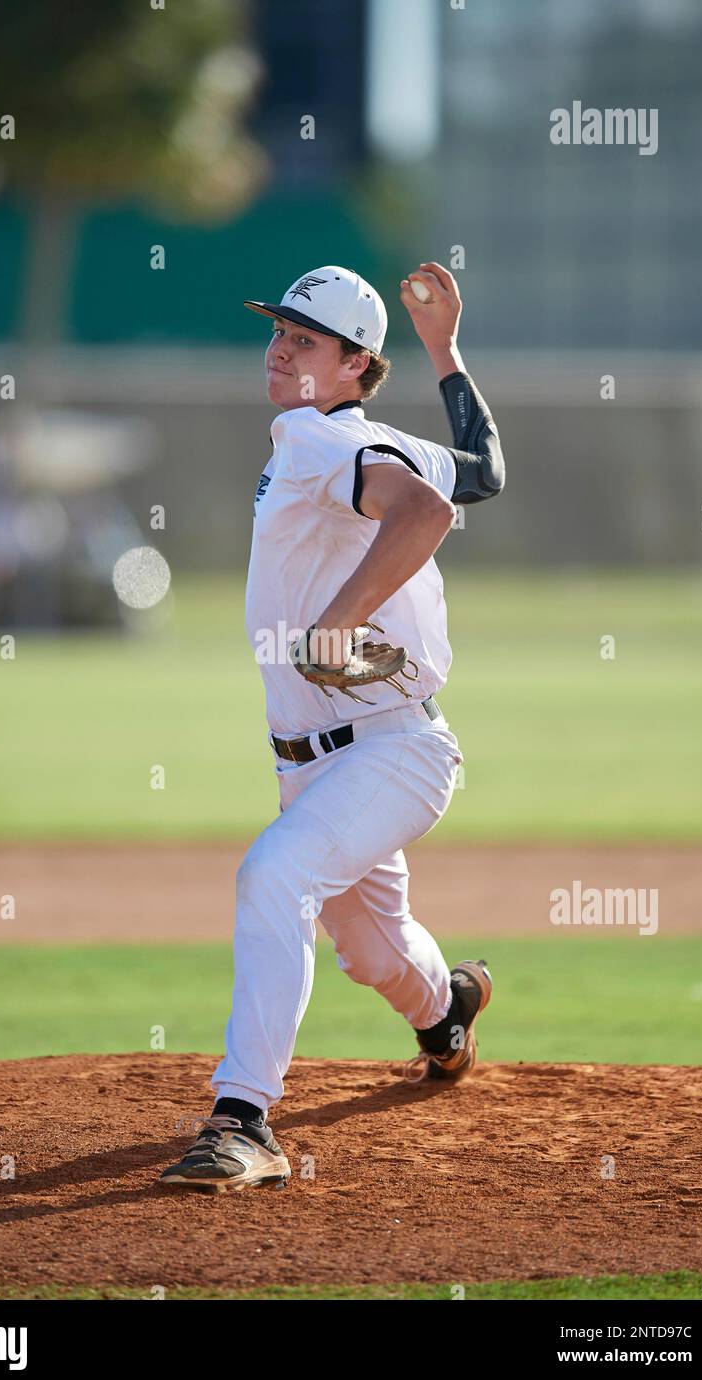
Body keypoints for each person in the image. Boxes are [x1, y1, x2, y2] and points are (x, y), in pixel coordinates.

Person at [159, 262, 505, 1192]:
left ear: (355, 363)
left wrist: (341, 619)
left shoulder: (313, 438)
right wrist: (447, 354)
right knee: (374, 954)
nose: (280, 347)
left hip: (397, 748)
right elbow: (483, 471)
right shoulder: (363, 439)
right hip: (328, 762)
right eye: (279, 331)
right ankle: (450, 1015)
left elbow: (429, 510)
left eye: (305, 340)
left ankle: (244, 1121)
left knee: (275, 873)